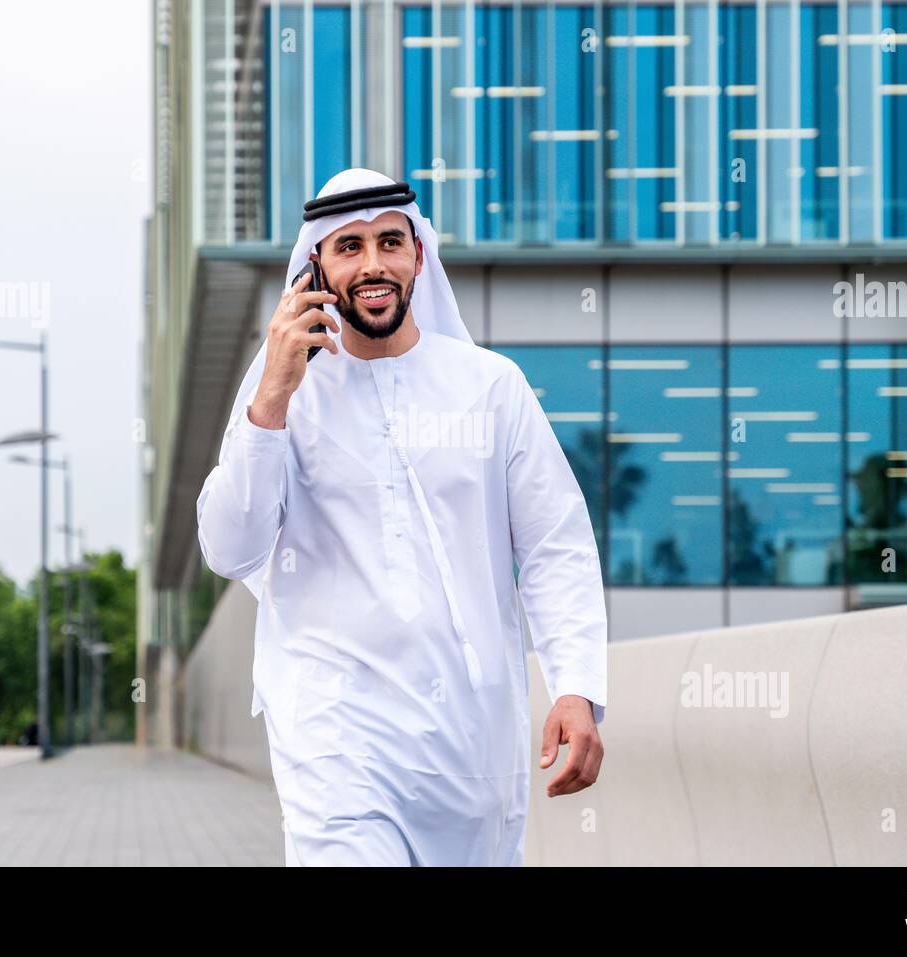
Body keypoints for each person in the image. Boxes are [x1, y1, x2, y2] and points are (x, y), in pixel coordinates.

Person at [196, 168, 607, 866]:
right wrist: (270, 400)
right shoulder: (282, 395)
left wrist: (576, 684)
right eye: (348, 246)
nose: (373, 263)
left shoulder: (489, 386)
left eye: (390, 241)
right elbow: (229, 548)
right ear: (315, 268)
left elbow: (553, 544)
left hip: (469, 746)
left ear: (419, 254)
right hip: (333, 736)